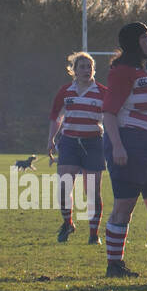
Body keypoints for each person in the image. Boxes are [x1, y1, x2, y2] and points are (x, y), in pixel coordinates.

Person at [100, 22, 147, 278]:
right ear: (133, 43)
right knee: (124, 206)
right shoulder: (122, 72)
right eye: (144, 37)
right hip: (129, 143)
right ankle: (115, 265)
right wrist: (118, 146)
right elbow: (108, 114)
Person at [47, 52, 107, 244]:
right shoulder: (66, 91)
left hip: (93, 143)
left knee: (92, 191)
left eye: (89, 67)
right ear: (73, 70)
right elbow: (56, 117)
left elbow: (112, 118)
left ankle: (93, 234)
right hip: (70, 143)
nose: (86, 70)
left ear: (93, 70)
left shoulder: (102, 92)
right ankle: (68, 224)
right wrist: (51, 140)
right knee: (64, 187)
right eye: (82, 67)